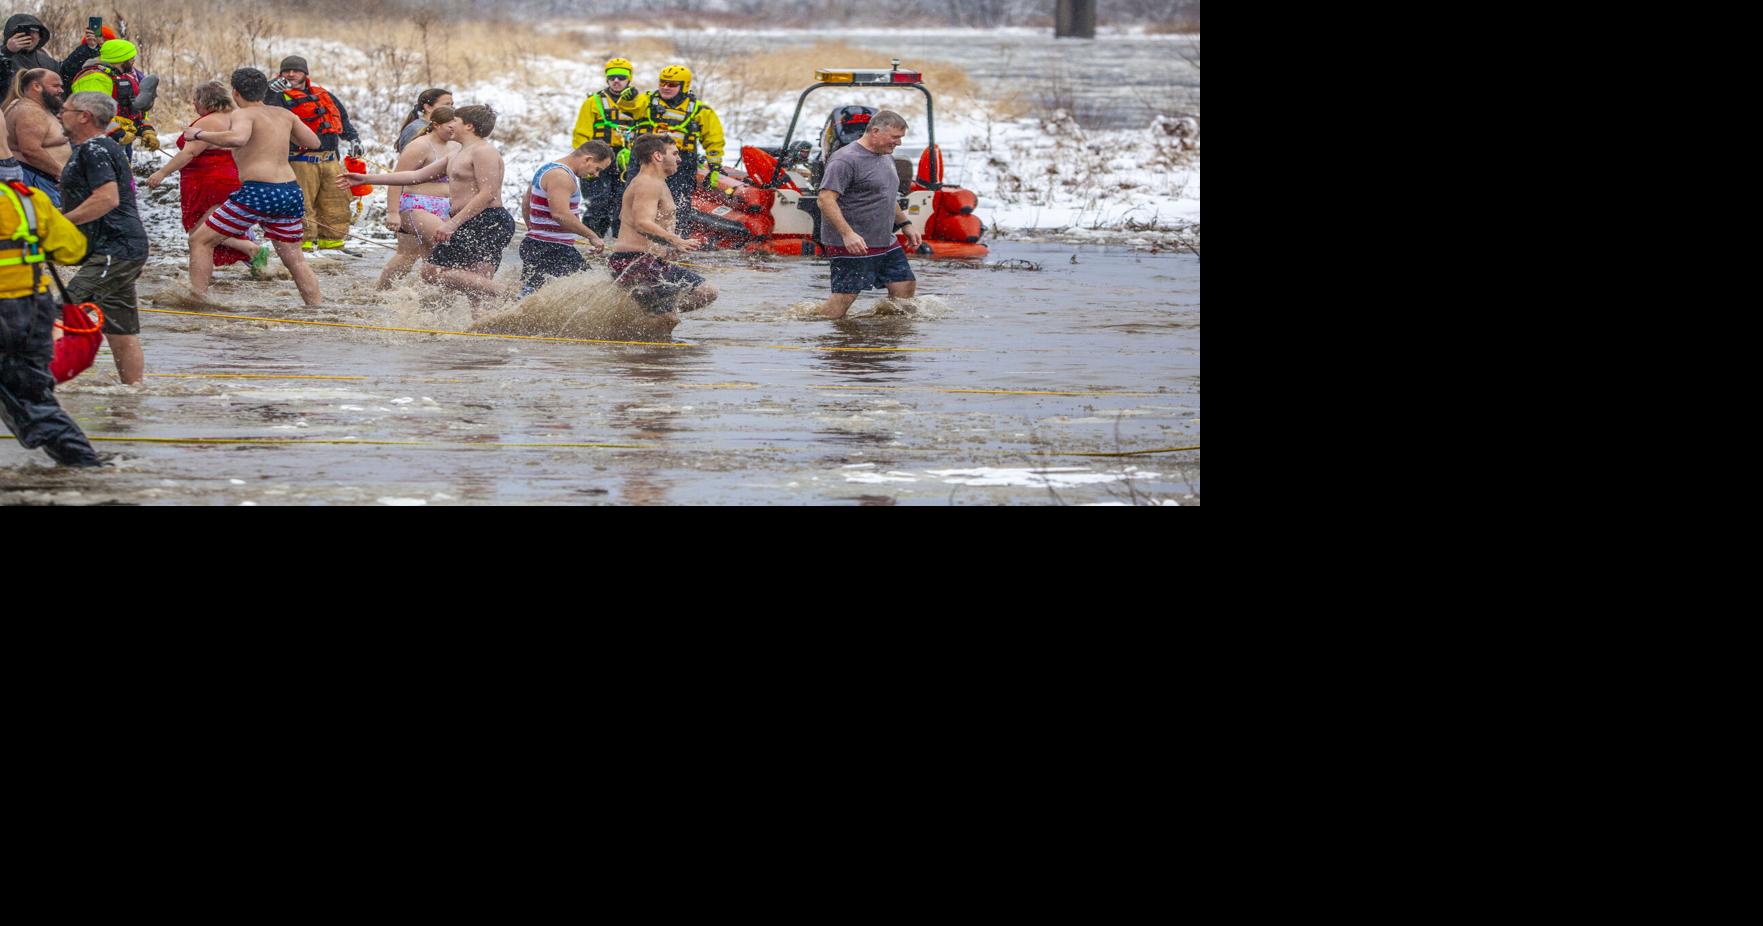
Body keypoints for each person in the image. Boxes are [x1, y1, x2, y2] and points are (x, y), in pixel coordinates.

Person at [339, 104, 513, 308]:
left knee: (434, 271)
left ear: (469, 126)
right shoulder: (456, 154)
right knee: (474, 284)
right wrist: (365, 178)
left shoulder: (484, 152)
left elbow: (487, 193)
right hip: (470, 220)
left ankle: (507, 293)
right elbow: (415, 176)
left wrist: (451, 224)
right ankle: (484, 324)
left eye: (455, 120)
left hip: (488, 220)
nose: (451, 125)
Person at [179, 68, 323, 307]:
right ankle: (316, 307)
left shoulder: (243, 115)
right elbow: (313, 142)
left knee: (200, 241)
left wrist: (200, 134)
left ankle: (198, 300)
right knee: (295, 259)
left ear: (235, 93)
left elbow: (238, 138)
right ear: (264, 91)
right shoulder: (283, 114)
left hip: (258, 191)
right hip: (289, 190)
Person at [0, 172, 103, 466]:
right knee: (30, 395)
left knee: (28, 399)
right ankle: (84, 468)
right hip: (29, 311)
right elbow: (74, 250)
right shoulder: (26, 198)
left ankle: (85, 467)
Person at [56, 91, 149, 385]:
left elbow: (106, 199)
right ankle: (132, 394)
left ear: (85, 116)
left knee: (61, 310)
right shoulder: (95, 147)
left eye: (66, 109)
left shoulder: (95, 149)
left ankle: (34, 389)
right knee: (120, 329)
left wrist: (60, 224)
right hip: (118, 247)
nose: (60, 113)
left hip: (117, 248)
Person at [145, 81, 269, 276]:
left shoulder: (208, 122)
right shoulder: (237, 118)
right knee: (217, 227)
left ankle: (249, 250)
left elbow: (189, 153)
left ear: (205, 101)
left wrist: (162, 173)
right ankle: (255, 263)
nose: (194, 105)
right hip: (232, 178)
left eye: (195, 100)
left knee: (200, 233)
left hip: (209, 182)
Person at [815, 110, 922, 319]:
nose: (898, 143)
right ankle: (820, 332)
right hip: (852, 242)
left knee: (904, 284)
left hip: (884, 240)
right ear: (875, 131)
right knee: (845, 297)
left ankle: (887, 332)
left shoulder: (885, 156)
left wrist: (905, 223)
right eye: (895, 137)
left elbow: (886, 196)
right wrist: (848, 234)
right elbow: (825, 199)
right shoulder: (845, 159)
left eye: (900, 138)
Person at [608, 134, 717, 321]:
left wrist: (667, 248)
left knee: (701, 295)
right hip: (634, 262)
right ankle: (644, 333)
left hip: (646, 262)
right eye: (675, 153)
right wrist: (675, 240)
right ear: (658, 156)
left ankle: (637, 325)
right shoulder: (648, 183)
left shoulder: (654, 183)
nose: (679, 159)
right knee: (672, 315)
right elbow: (642, 223)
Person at [268, 55, 360, 252]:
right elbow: (261, 111)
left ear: (305, 73)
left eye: (296, 70)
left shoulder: (323, 94)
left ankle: (333, 245)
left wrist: (354, 139)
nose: (291, 74)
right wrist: (268, 90)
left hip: (330, 160)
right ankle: (303, 248)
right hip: (299, 161)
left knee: (336, 203)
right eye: (286, 71)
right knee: (302, 205)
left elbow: (342, 121)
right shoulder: (276, 96)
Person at [378, 105, 459, 289]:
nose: (454, 131)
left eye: (456, 127)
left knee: (424, 254)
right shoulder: (419, 146)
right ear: (436, 125)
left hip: (445, 206)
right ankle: (380, 293)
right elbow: (395, 179)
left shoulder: (455, 145)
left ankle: (426, 298)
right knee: (439, 247)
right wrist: (392, 212)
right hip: (416, 204)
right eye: (450, 127)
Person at [643, 65, 728, 235]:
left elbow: (714, 141)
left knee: (678, 203)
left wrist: (715, 168)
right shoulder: (646, 102)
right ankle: (645, 236)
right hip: (651, 162)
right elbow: (627, 106)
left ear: (684, 86)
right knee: (646, 200)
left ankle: (678, 238)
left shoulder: (701, 111)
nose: (666, 87)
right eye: (663, 83)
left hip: (682, 164)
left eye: (672, 84)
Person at [519, 140, 611, 296]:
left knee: (534, 298)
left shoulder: (548, 168)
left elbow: (526, 201)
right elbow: (560, 214)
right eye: (597, 169)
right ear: (587, 159)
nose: (596, 174)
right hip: (552, 248)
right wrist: (592, 236)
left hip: (543, 245)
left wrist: (534, 231)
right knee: (588, 293)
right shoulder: (561, 177)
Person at [570, 58, 647, 239]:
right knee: (598, 203)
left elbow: (645, 117)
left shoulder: (640, 102)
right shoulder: (593, 102)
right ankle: (592, 240)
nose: (616, 81)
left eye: (621, 77)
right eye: (612, 77)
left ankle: (621, 244)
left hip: (627, 161)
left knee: (624, 203)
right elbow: (581, 134)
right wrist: (583, 161)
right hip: (598, 159)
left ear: (629, 79)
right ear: (607, 79)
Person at [69, 39, 158, 161]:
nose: (133, 61)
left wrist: (146, 130)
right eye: (130, 57)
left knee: (123, 177)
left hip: (121, 141)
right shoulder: (94, 78)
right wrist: (118, 133)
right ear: (120, 58)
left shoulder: (124, 76)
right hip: (98, 144)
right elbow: (93, 112)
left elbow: (135, 109)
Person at [4, 69, 71, 206]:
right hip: (40, 180)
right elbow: (30, 150)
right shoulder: (30, 112)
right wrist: (60, 173)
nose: (61, 90)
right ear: (36, 86)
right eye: (55, 86)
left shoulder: (35, 107)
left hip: (45, 180)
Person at [1, 14, 59, 99]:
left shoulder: (49, 62)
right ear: (11, 34)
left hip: (39, 110)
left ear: (40, 36)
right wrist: (7, 51)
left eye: (34, 31)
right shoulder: (3, 53)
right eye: (23, 31)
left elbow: (59, 91)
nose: (29, 36)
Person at [396, 88, 452, 154]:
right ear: (428, 107)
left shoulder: (444, 126)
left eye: (451, 104)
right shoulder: (415, 128)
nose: (451, 108)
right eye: (446, 104)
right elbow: (409, 158)